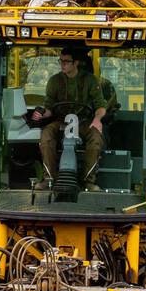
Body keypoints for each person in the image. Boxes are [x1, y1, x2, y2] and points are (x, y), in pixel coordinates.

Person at [31, 51, 106, 192]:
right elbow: (49, 108)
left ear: (76, 63)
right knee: (46, 136)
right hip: (61, 121)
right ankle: (48, 180)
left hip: (84, 121)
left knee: (96, 138)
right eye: (61, 61)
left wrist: (97, 120)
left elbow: (101, 106)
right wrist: (41, 113)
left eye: (66, 61)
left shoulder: (91, 80)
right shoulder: (54, 81)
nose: (62, 64)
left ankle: (88, 182)